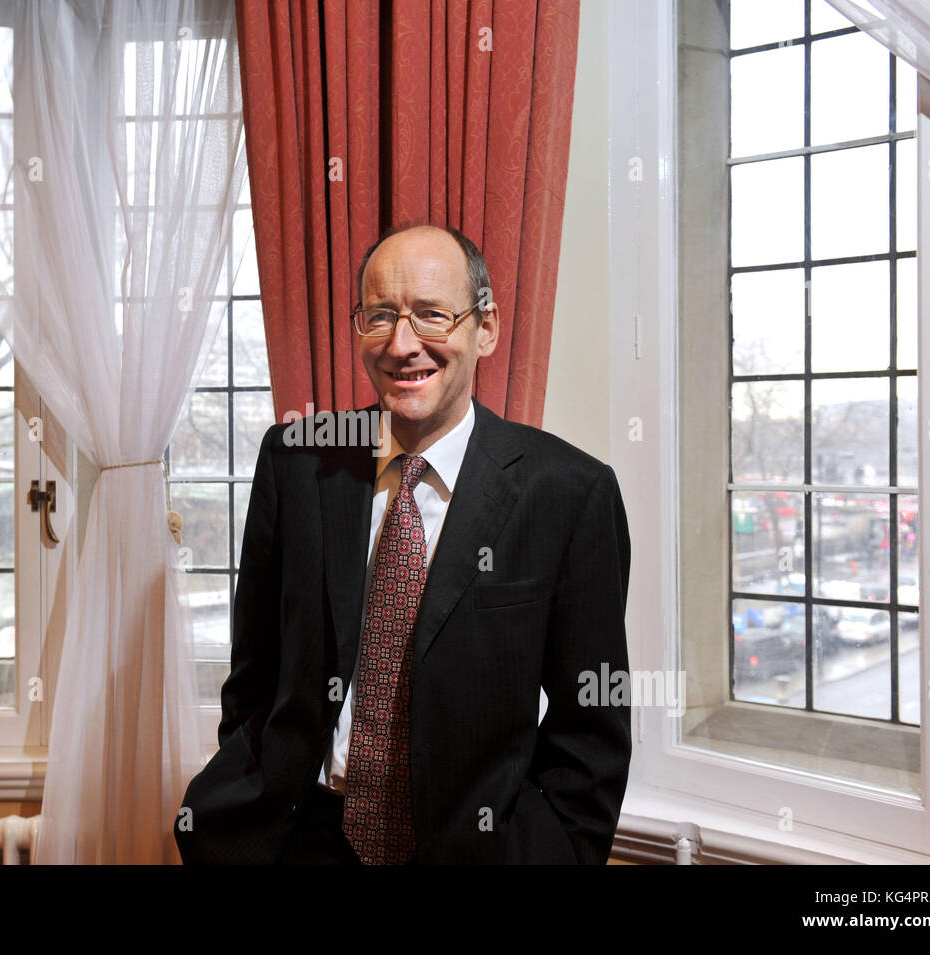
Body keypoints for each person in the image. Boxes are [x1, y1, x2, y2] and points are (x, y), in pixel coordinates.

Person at [174, 223, 632, 864]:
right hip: (300, 841)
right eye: (380, 315)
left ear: (486, 328)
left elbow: (592, 729)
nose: (402, 344)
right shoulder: (299, 461)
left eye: (431, 316)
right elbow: (253, 676)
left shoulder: (569, 494)